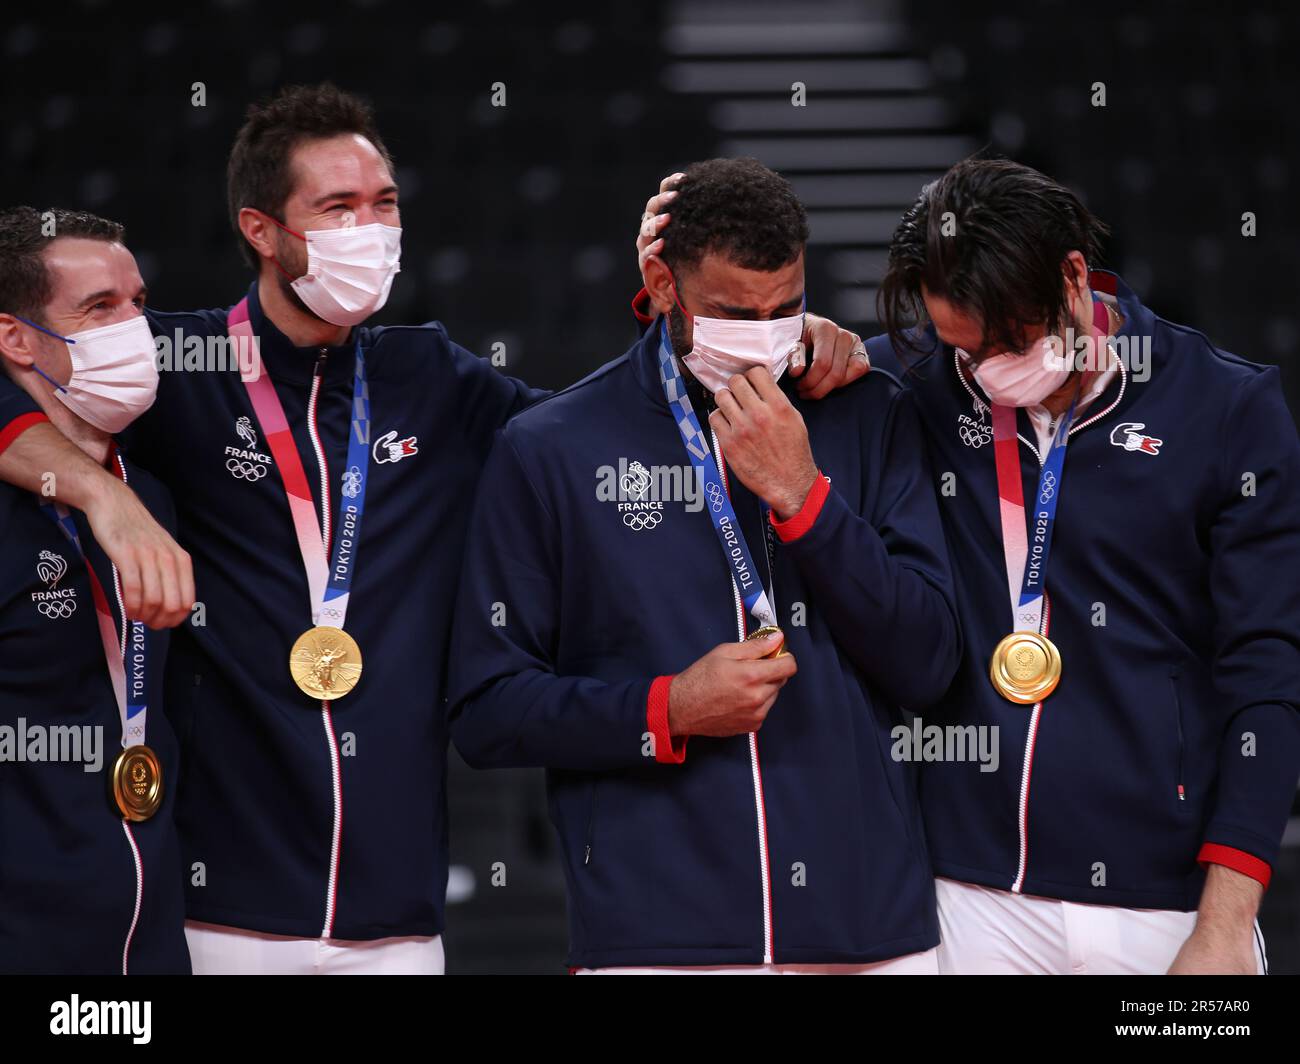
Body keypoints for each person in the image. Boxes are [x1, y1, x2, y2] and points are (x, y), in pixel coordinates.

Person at [0, 86, 867, 974]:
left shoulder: (434, 378)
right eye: (337, 208)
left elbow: (589, 439)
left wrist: (712, 324)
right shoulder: (176, 369)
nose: (369, 231)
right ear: (261, 230)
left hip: (400, 920)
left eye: (384, 204)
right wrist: (105, 500)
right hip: (219, 908)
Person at [448, 157, 960, 973]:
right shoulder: (553, 447)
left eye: (785, 306)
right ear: (661, 283)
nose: (763, 332)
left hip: (869, 931)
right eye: (733, 311)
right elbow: (487, 708)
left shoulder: (866, 411)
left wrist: (805, 500)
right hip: (658, 937)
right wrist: (669, 708)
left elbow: (927, 660)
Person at [863, 157, 1297, 974]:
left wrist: (1227, 920)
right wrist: (814, 345)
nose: (990, 370)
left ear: (1073, 277)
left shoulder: (1226, 409)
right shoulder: (910, 382)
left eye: (1012, 343)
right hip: (966, 894)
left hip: (1165, 907)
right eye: (966, 350)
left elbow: (1269, 676)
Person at [0, 206, 189, 974]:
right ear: (15, 338)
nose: (133, 331)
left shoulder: (149, 493)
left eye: (138, 303)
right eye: (99, 309)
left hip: (145, 946)